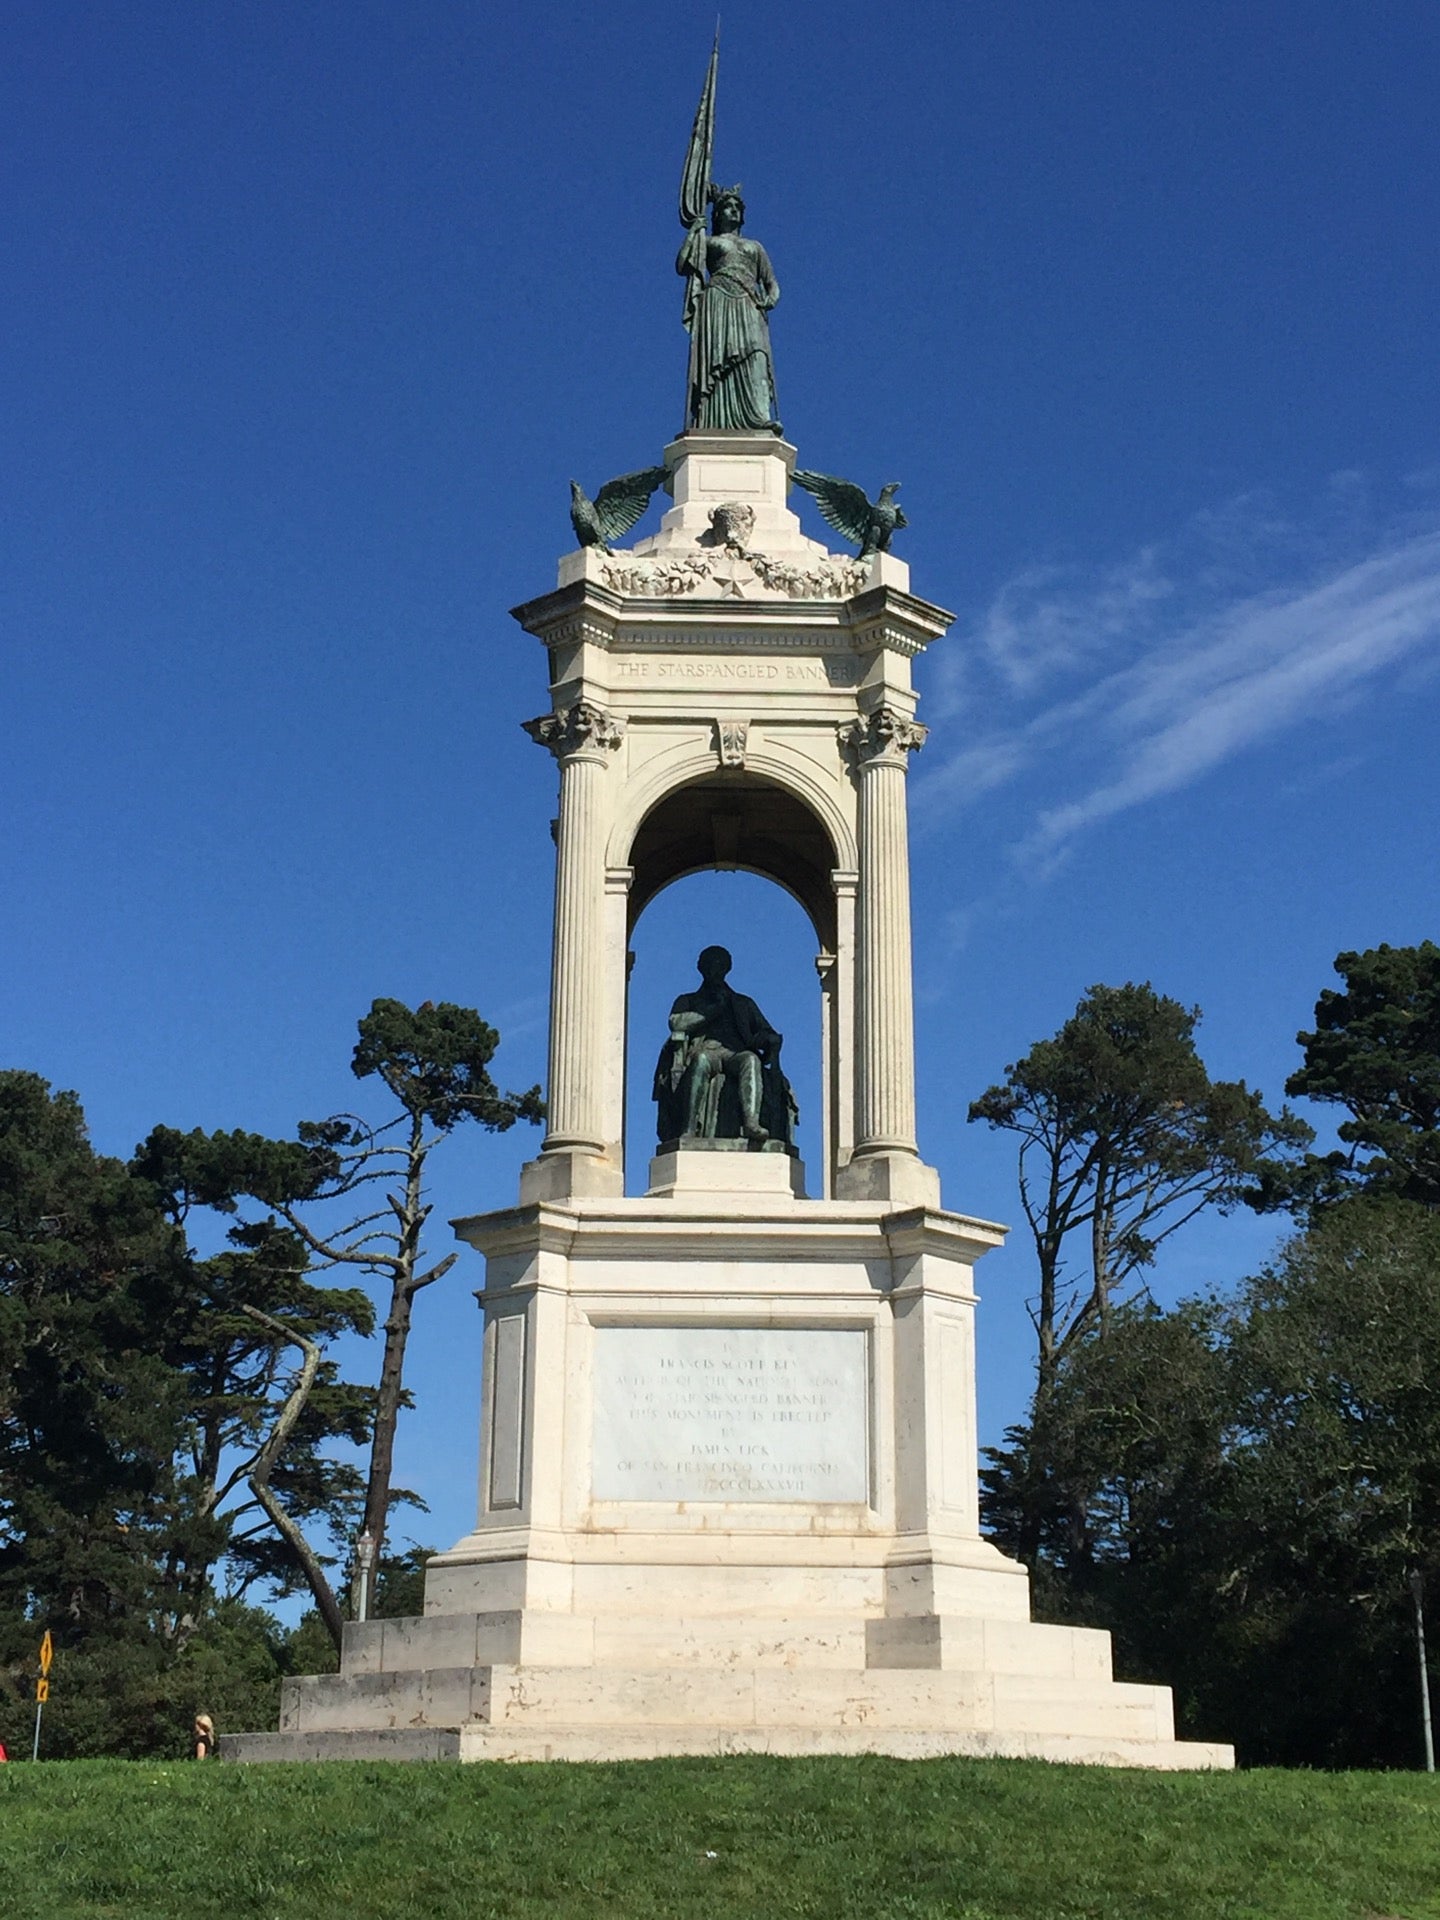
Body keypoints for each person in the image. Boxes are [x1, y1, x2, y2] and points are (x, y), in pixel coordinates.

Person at [654, 946, 794, 1145]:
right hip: (704, 1052)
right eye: (710, 965)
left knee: (751, 1059)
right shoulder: (688, 1000)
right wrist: (712, 1011)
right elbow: (676, 1023)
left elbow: (765, 1030)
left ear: (727, 969)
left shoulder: (742, 1002)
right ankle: (689, 1127)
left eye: (720, 966)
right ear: (701, 968)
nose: (715, 970)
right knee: (701, 1061)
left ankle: (751, 1122)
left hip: (734, 1054)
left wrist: (769, 1040)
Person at [676, 189, 781, 433]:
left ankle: (757, 415)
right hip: (718, 302)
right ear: (717, 214)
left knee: (756, 354)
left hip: (748, 302)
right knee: (718, 357)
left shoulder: (754, 246)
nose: (733, 209)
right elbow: (683, 265)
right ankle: (710, 418)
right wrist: (694, 231)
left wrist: (771, 299)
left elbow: (771, 282)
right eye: (727, 206)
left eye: (737, 207)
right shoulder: (710, 242)